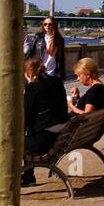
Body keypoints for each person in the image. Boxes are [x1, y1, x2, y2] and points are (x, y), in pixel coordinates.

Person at [22, 56, 69, 186]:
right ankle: (27, 175)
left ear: (28, 73)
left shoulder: (33, 87)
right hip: (62, 135)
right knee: (31, 131)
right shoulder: (57, 82)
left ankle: (27, 176)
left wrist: (29, 84)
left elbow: (26, 116)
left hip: (45, 141)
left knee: (15, 141)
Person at [25, 16, 66, 80]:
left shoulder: (59, 39)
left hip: (52, 71)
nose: (47, 26)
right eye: (45, 24)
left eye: (50, 24)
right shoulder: (38, 37)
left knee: (51, 89)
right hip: (39, 69)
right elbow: (30, 51)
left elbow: (62, 58)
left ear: (54, 25)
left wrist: (63, 75)